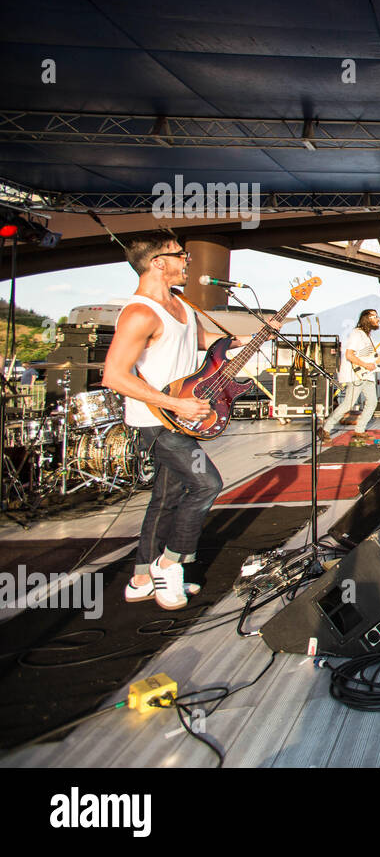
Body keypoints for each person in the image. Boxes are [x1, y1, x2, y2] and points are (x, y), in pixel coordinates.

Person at [103, 233, 265, 609]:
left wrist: (257, 334)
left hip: (178, 417)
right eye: (181, 255)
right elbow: (114, 375)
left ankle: (141, 577)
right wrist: (174, 403)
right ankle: (169, 564)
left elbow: (204, 340)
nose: (188, 261)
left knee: (167, 495)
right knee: (207, 485)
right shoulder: (140, 312)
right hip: (157, 420)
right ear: (158, 262)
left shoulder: (180, 305)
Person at [318, 309, 380, 442]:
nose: (377, 319)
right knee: (348, 403)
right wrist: (365, 365)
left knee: (372, 402)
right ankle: (326, 428)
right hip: (356, 375)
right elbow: (349, 355)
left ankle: (359, 430)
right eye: (374, 316)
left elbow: (372, 359)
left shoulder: (367, 336)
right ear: (366, 318)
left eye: (377, 316)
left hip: (367, 375)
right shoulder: (356, 334)